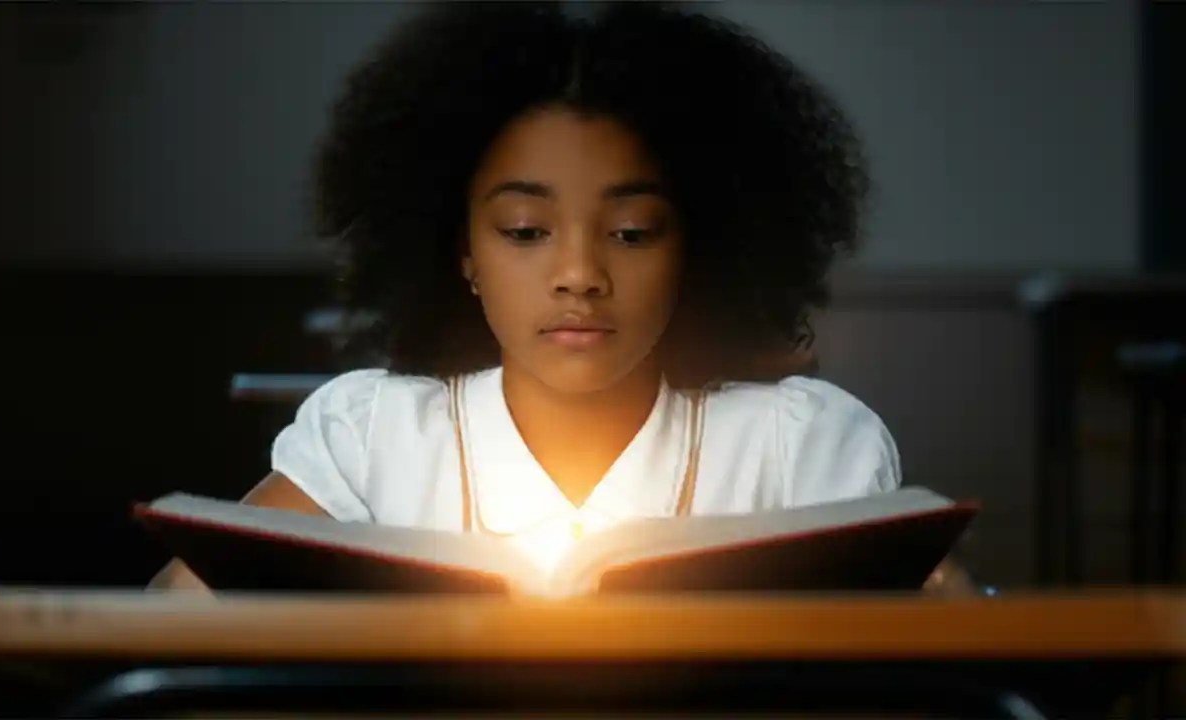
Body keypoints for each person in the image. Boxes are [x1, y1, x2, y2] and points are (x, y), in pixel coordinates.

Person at [150, 0, 970, 592]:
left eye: (633, 232)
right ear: (460, 250)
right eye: (524, 230)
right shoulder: (374, 437)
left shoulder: (801, 449)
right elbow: (179, 612)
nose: (579, 273)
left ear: (700, 249)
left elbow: (961, 651)